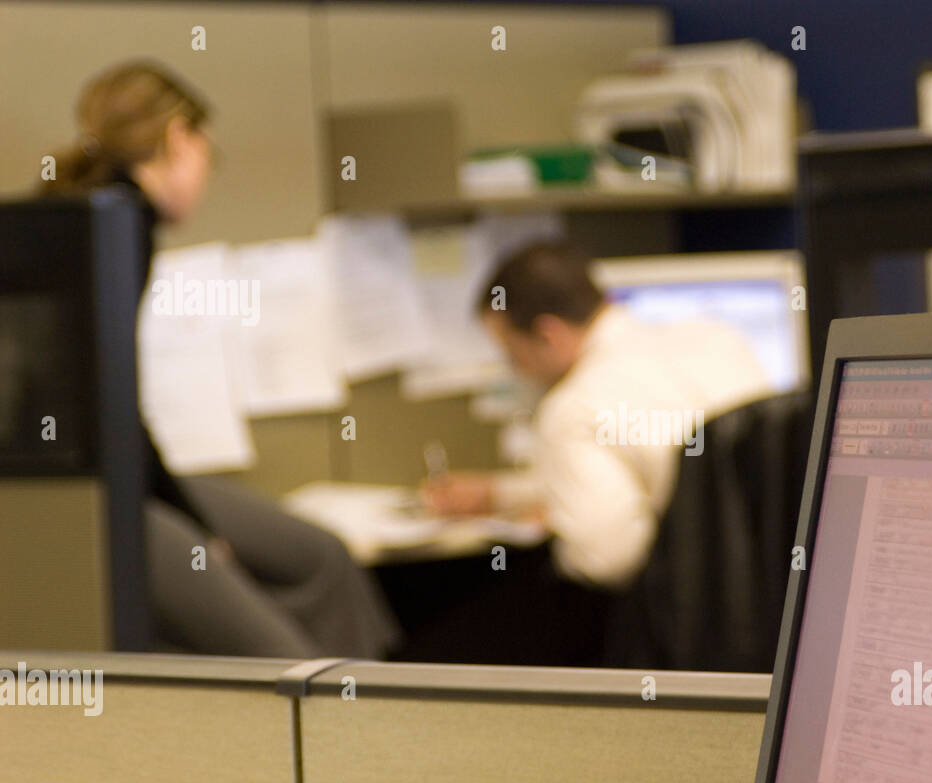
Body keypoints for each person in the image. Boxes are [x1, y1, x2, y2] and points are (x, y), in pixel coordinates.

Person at [42, 60, 399, 658]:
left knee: (320, 557)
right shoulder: (115, 225)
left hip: (121, 482)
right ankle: (337, 717)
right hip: (99, 500)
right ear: (179, 137)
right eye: (208, 153)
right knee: (283, 661)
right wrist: (201, 532)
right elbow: (110, 415)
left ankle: (362, 700)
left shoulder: (99, 216)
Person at [422, 241, 773, 588]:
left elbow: (606, 559)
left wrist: (565, 520)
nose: (518, 371)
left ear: (549, 335)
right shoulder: (717, 338)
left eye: (514, 355)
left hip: (698, 614)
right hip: (782, 586)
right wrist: (500, 494)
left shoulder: (572, 408)